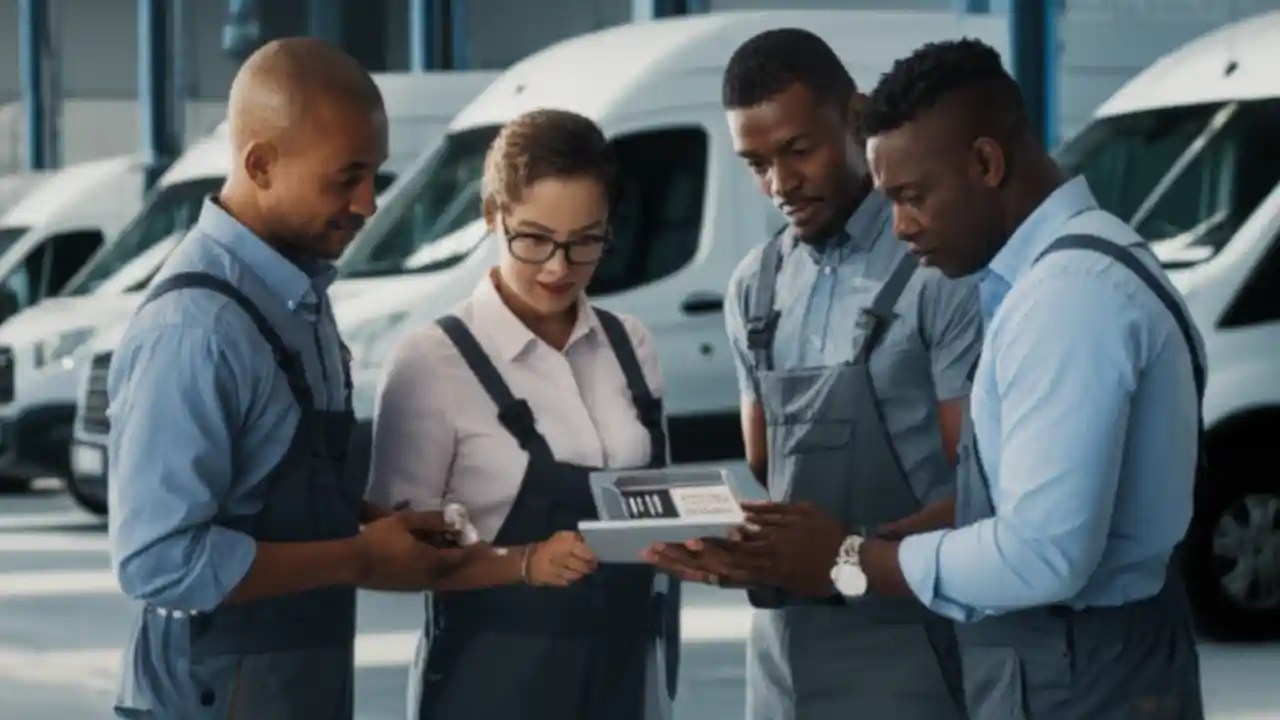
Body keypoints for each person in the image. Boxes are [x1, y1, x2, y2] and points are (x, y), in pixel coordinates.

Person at [844, 38, 1206, 718]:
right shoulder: (1086, 263)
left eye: (912, 196)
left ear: (986, 162)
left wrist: (852, 562)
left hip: (1077, 672)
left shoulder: (1069, 296)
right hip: (1092, 659)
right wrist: (927, 535)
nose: (900, 227)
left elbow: (1045, 554)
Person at [108, 38, 464, 719]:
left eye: (376, 176)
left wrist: (372, 524)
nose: (368, 204)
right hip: (211, 693)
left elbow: (264, 489)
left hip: (297, 684)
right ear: (261, 164)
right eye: (346, 178)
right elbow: (159, 560)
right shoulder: (197, 329)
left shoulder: (296, 297)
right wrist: (360, 558)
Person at [645, 28, 982, 720]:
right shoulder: (754, 289)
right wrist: (735, 550)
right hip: (787, 653)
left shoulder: (936, 268)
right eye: (756, 163)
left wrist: (849, 557)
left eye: (799, 150)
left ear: (856, 117)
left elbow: (983, 493)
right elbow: (768, 468)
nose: (780, 185)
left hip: (919, 638)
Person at [365, 108, 680, 720]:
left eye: (585, 240)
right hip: (489, 687)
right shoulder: (432, 362)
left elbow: (656, 504)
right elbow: (388, 560)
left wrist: (706, 534)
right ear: (492, 215)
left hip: (625, 682)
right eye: (534, 238)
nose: (559, 267)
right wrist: (523, 564)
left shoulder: (631, 345)